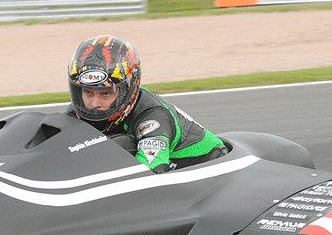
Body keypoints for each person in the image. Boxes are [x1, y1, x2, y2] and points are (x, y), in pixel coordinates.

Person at [66, 34, 226, 173]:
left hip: (211, 170)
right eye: (88, 92)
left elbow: (150, 174)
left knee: (123, 144)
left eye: (105, 93)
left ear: (128, 89)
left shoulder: (152, 117)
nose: (94, 103)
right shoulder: (76, 113)